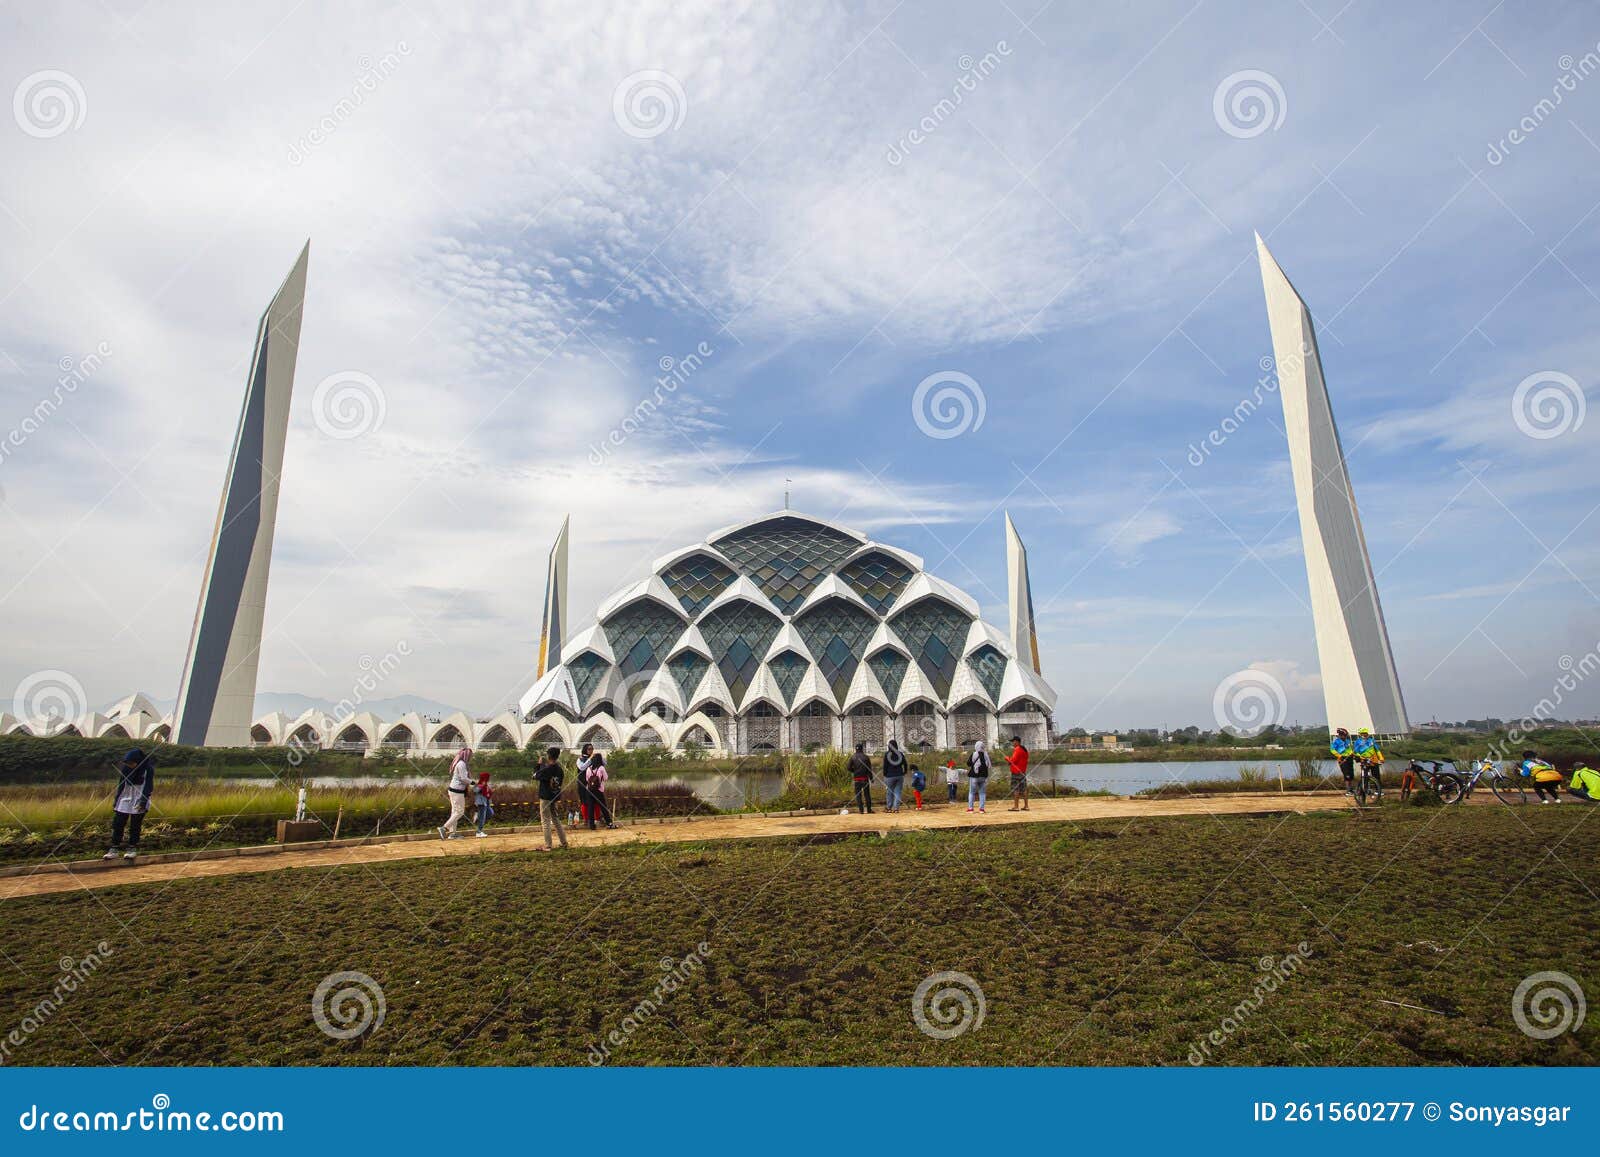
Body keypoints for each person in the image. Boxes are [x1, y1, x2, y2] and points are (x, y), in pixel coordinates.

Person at [103, 747, 154, 861]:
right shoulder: (126, 769)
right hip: (125, 798)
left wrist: (143, 801)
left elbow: (148, 786)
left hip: (139, 798)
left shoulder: (147, 769)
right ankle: (114, 848)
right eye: (128, 763)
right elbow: (121, 784)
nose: (130, 765)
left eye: (132, 763)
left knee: (135, 825)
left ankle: (132, 848)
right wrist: (117, 800)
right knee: (118, 824)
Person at [535, 746, 569, 850]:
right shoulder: (559, 769)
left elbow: (535, 776)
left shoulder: (547, 769)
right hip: (555, 797)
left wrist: (538, 765)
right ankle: (564, 843)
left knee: (545, 821)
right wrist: (543, 767)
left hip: (546, 798)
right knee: (555, 819)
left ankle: (548, 845)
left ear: (549, 756)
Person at [439, 747, 472, 839]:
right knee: (460, 812)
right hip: (457, 791)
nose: (470, 757)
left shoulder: (460, 763)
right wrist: (474, 783)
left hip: (454, 790)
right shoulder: (461, 764)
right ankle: (444, 828)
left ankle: (452, 834)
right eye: (469, 756)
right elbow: (464, 778)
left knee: (455, 812)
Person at [586, 750, 616, 829]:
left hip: (590, 790)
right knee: (603, 807)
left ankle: (591, 825)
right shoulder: (601, 768)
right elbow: (606, 778)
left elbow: (587, 779)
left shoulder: (588, 769)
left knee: (590, 807)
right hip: (599, 790)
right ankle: (609, 823)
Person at [1352, 727, 1382, 800]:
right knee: (1364, 775)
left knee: (1376, 775)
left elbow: (1377, 750)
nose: (1364, 735)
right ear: (1360, 734)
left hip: (1373, 760)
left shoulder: (1372, 740)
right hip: (1364, 760)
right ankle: (1363, 790)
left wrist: (1381, 757)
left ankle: (1378, 790)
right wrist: (1360, 757)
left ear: (1367, 734)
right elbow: (1355, 752)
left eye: (1365, 733)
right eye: (1363, 733)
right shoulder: (1357, 742)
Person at [575, 743, 597, 828]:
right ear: (585, 750)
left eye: (592, 749)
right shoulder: (580, 759)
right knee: (584, 801)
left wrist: (599, 757)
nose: (591, 750)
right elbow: (582, 768)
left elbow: (603, 764)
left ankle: (596, 818)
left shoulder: (594, 758)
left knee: (594, 800)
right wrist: (590, 759)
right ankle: (586, 819)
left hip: (592, 782)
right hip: (582, 782)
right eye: (589, 749)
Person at [1005, 736, 1030, 811]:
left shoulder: (1017, 749)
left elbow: (1013, 760)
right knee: (1024, 789)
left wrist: (1007, 758)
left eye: (1013, 741)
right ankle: (1026, 806)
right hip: (1023, 772)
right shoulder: (1024, 750)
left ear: (1017, 742)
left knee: (1016, 789)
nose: (1012, 743)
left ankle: (1016, 807)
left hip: (1016, 772)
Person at [882, 739, 907, 812]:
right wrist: (904, 772)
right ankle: (896, 809)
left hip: (889, 776)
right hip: (899, 775)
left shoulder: (887, 754)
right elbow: (905, 764)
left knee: (889, 792)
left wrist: (885, 774)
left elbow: (885, 766)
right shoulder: (900, 754)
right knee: (898, 792)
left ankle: (889, 808)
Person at [848, 742, 874, 814]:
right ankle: (869, 810)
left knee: (858, 795)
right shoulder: (866, 757)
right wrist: (871, 778)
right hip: (865, 779)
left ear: (855, 749)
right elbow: (869, 769)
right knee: (867, 794)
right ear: (862, 749)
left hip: (857, 779)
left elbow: (848, 767)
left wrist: (854, 771)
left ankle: (861, 810)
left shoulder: (853, 757)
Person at [967, 740, 991, 813]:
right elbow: (989, 765)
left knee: (971, 792)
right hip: (983, 777)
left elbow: (968, 764)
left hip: (974, 776)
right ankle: (981, 809)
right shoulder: (986, 754)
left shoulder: (974, 754)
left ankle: (970, 809)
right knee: (982, 793)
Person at [1329, 728, 1355, 795]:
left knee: (1351, 774)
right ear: (1340, 735)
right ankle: (1348, 790)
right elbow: (1332, 750)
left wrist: (1352, 754)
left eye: (1346, 735)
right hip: (1342, 759)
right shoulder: (1336, 742)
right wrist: (1339, 755)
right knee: (1347, 775)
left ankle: (1351, 789)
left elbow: (1350, 749)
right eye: (1344, 735)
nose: (1345, 737)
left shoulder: (1347, 741)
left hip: (1349, 758)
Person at [473, 768, 494, 837]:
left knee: (490, 813)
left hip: (486, 803)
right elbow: (475, 791)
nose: (488, 779)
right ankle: (479, 832)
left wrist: (490, 791)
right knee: (482, 817)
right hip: (481, 803)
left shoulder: (487, 785)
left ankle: (477, 817)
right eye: (487, 777)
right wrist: (482, 786)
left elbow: (488, 794)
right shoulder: (479, 784)